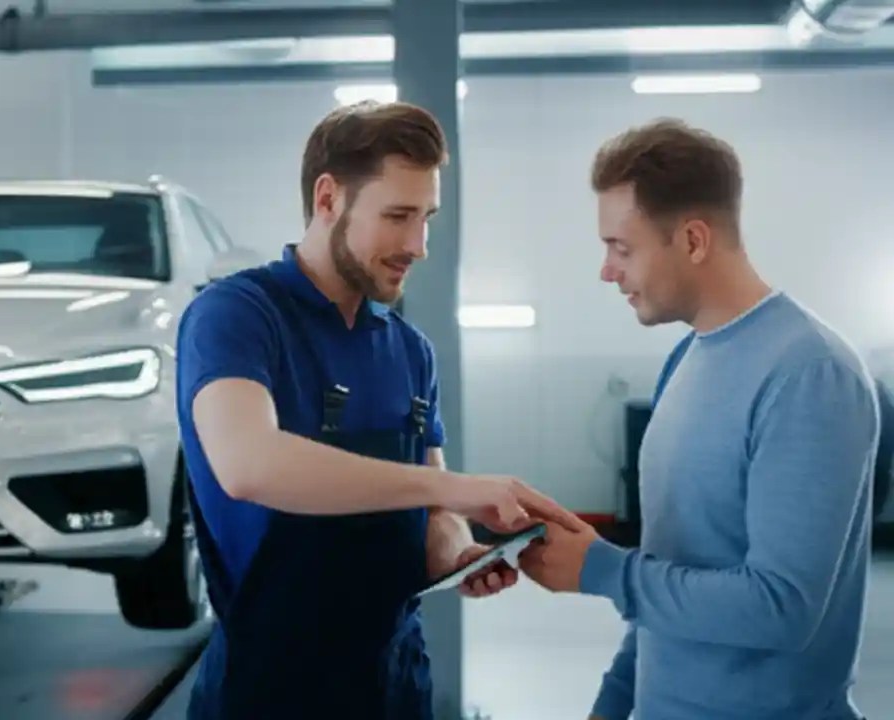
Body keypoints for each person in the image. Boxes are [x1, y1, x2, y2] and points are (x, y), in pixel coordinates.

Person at [175, 100, 578, 720]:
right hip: (272, 696)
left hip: (395, 687)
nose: (418, 245)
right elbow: (248, 464)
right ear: (328, 197)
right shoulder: (238, 316)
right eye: (397, 216)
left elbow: (436, 513)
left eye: (427, 218)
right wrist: (450, 485)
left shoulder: (410, 350)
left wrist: (458, 552)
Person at [519, 118, 879, 720]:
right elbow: (666, 577)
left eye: (621, 248)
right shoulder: (684, 359)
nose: (607, 271)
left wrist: (606, 571)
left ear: (692, 240)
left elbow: (783, 607)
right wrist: (612, 705)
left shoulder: (810, 374)